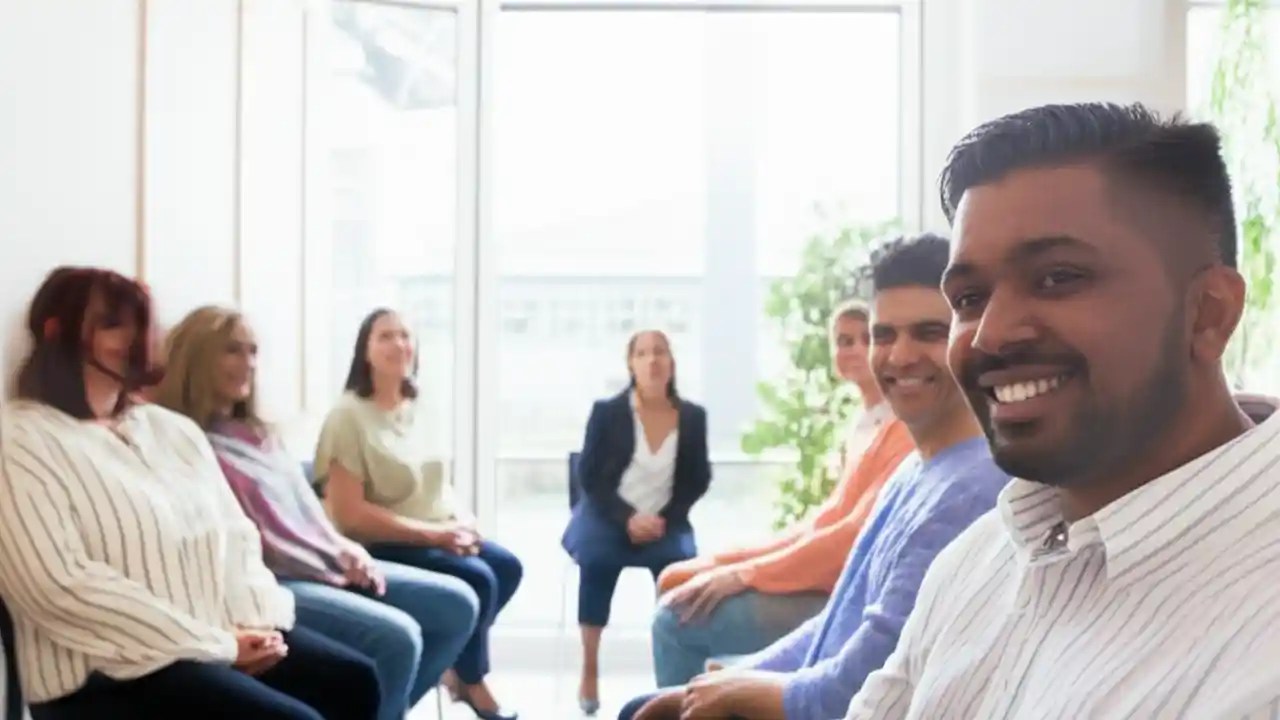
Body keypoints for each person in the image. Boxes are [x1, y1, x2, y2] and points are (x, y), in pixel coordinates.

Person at [843, 103, 1280, 719]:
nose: (989, 336)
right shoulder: (977, 559)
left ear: (1207, 312)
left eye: (1057, 278)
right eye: (969, 298)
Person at [621, 234, 1009, 720]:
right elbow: (837, 619)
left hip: (842, 709)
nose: (900, 355)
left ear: (967, 338)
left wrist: (738, 692)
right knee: (652, 704)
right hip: (820, 687)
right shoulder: (915, 468)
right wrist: (719, 685)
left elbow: (864, 683)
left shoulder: (971, 491)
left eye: (928, 332)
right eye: (884, 335)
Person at [0, 267, 381, 720]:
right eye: (111, 324)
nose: (134, 338)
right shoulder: (20, 438)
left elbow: (237, 536)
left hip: (216, 637)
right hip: (105, 675)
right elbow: (57, 585)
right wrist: (216, 646)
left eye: (141, 323)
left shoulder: (171, 429)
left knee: (354, 681)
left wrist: (257, 622)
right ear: (57, 334)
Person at [155, 305, 482, 720]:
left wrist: (346, 550)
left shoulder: (260, 433)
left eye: (253, 352)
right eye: (232, 351)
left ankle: (384, 709)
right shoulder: (186, 439)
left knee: (458, 602)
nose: (248, 364)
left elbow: (308, 513)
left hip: (321, 560)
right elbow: (249, 543)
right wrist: (332, 562)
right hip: (276, 578)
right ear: (199, 358)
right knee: (399, 638)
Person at [647, 301, 914, 687]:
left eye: (865, 338)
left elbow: (850, 539)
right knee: (675, 578)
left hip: (845, 599)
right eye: (843, 340)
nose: (854, 349)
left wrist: (748, 574)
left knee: (672, 622)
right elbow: (826, 520)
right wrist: (729, 562)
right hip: (830, 579)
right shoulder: (864, 425)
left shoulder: (901, 430)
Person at [316, 308, 522, 720]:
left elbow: (438, 481)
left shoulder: (420, 405)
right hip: (381, 542)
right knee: (478, 579)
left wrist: (463, 522)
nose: (399, 344)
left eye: (406, 335)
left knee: (506, 566)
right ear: (365, 351)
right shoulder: (347, 416)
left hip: (436, 530)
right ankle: (471, 681)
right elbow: (350, 515)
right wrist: (438, 537)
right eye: (386, 336)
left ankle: (455, 666)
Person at [562, 329, 712, 714]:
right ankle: (589, 667)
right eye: (642, 353)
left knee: (679, 570)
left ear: (672, 362)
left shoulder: (693, 417)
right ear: (631, 364)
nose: (652, 360)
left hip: (666, 520)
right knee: (597, 561)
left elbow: (698, 478)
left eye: (660, 352)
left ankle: (673, 674)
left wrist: (666, 518)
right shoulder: (607, 412)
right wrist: (628, 518)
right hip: (608, 515)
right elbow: (590, 477)